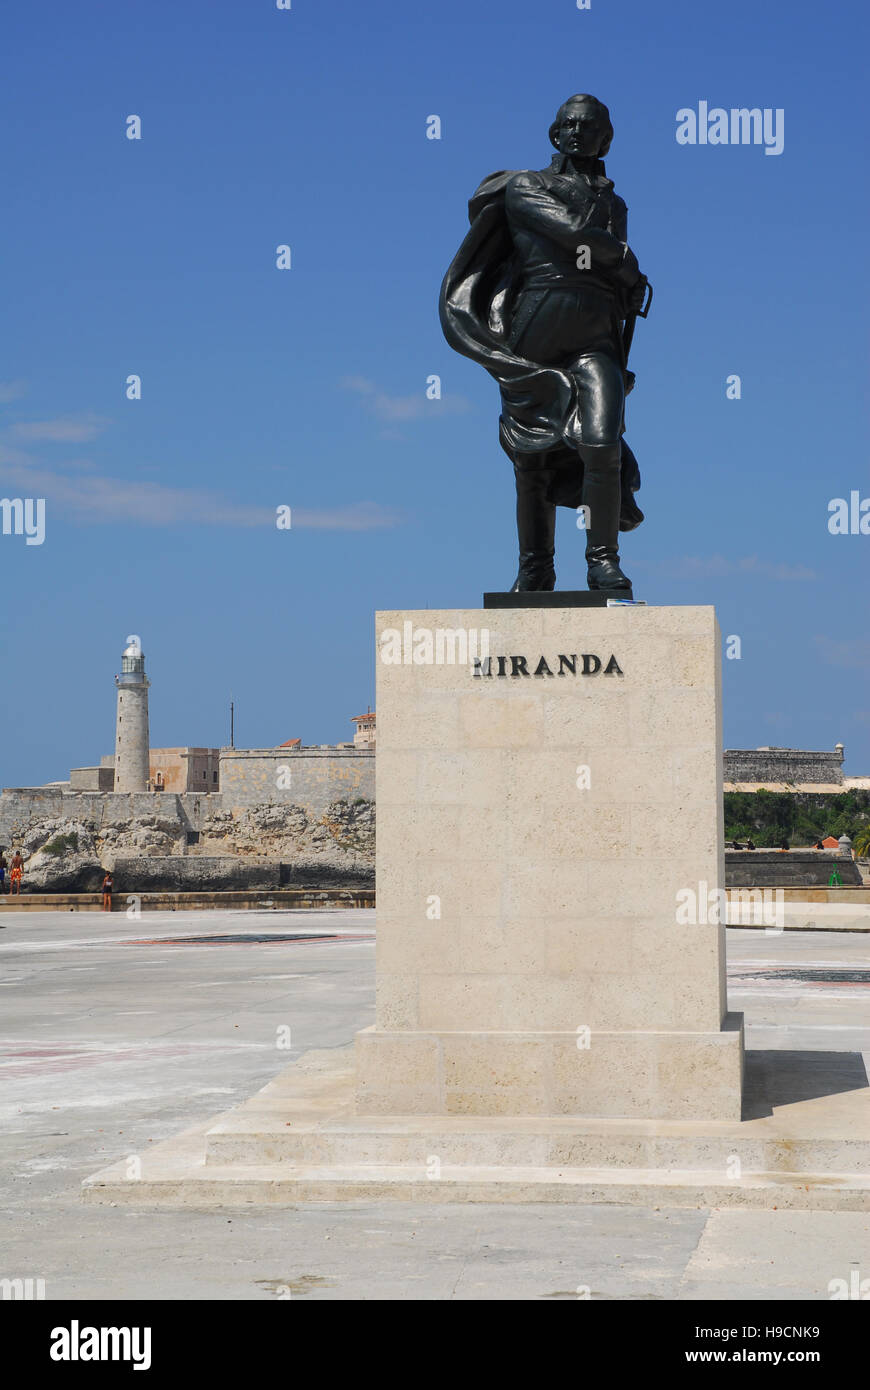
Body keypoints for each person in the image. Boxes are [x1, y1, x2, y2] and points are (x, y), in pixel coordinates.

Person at [441, 93, 650, 595]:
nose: (577, 132)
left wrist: (626, 281)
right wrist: (623, 261)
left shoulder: (616, 204)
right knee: (531, 455)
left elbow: (606, 262)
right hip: (537, 328)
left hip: (596, 334)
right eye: (568, 124)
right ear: (555, 135)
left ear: (607, 138)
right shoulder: (525, 186)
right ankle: (536, 568)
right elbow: (575, 234)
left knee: (602, 442)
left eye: (589, 125)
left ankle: (603, 562)